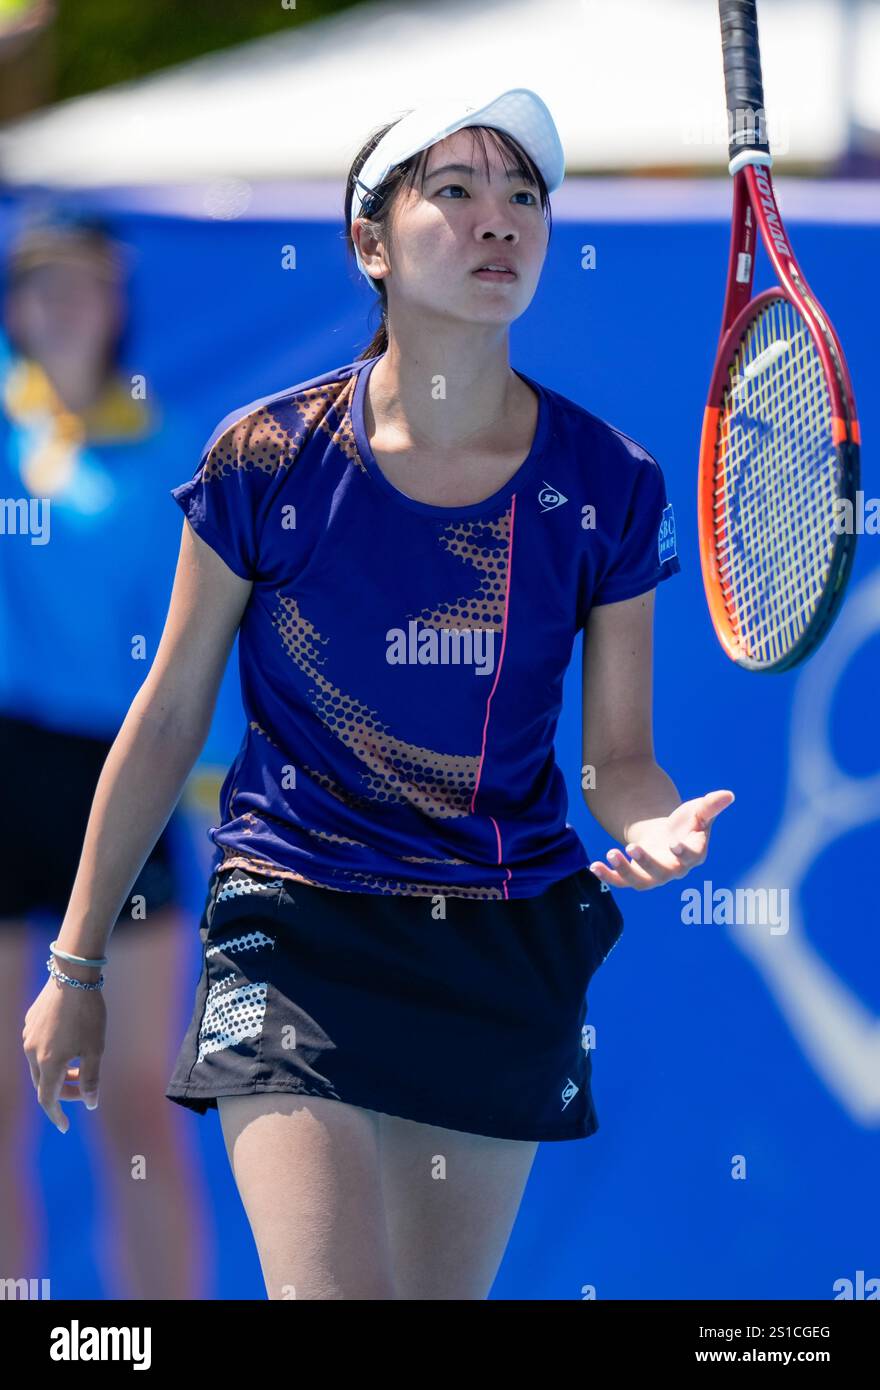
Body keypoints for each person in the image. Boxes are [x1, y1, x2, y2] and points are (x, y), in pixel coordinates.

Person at [21, 90, 734, 1301]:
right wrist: (76, 967)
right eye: (452, 192)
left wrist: (650, 822)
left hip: (501, 942)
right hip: (294, 922)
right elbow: (170, 712)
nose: (497, 222)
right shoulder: (267, 458)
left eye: (522, 197)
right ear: (369, 243)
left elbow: (619, 759)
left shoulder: (610, 482)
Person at [2, 206, 201, 1298]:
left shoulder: (168, 449)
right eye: (38, 283)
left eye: (82, 282)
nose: (61, 302)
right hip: (4, 770)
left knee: (134, 1102)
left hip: (117, 786)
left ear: (116, 302)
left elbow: (188, 666)